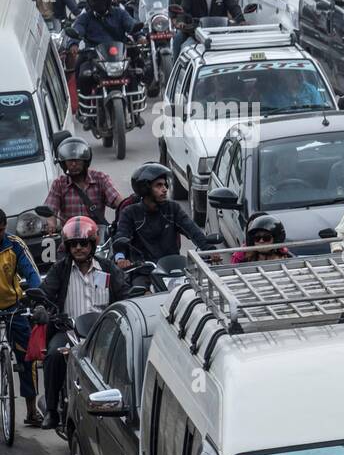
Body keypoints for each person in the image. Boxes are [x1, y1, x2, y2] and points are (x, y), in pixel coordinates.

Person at [36, 217, 130, 429]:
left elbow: (123, 292)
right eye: (73, 244)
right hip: (68, 331)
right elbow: (45, 293)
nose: (78, 248)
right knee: (52, 356)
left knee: (126, 357)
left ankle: (128, 405)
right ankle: (51, 410)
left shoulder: (107, 268)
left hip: (104, 331)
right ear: (67, 247)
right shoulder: (60, 270)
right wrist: (41, 309)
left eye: (83, 243)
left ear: (93, 244)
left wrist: (133, 297)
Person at [113, 164, 217, 267]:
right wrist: (120, 258)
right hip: (142, 270)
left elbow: (192, 229)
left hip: (172, 267)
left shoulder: (172, 208)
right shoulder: (130, 212)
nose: (165, 189)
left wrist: (209, 249)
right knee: (136, 284)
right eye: (159, 185)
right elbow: (121, 236)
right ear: (145, 188)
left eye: (165, 185)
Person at [0, 208, 42, 427]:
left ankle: (31, 410)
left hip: (13, 308)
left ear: (4, 227)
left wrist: (39, 299)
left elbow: (32, 274)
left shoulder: (15, 244)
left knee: (28, 358)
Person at [70, 0, 143, 98]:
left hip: (120, 56)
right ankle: (86, 108)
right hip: (93, 57)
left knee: (136, 71)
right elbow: (78, 29)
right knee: (82, 74)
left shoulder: (120, 13)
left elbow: (131, 24)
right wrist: (73, 43)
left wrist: (139, 35)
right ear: (89, 0)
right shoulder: (85, 17)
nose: (99, 2)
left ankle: (135, 105)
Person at [43, 137, 124, 233]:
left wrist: (126, 213)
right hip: (70, 239)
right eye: (70, 161)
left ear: (85, 161)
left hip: (96, 236)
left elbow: (118, 201)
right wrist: (51, 224)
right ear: (63, 163)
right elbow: (50, 210)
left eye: (77, 160)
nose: (73, 164)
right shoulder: (59, 184)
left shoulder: (100, 178)